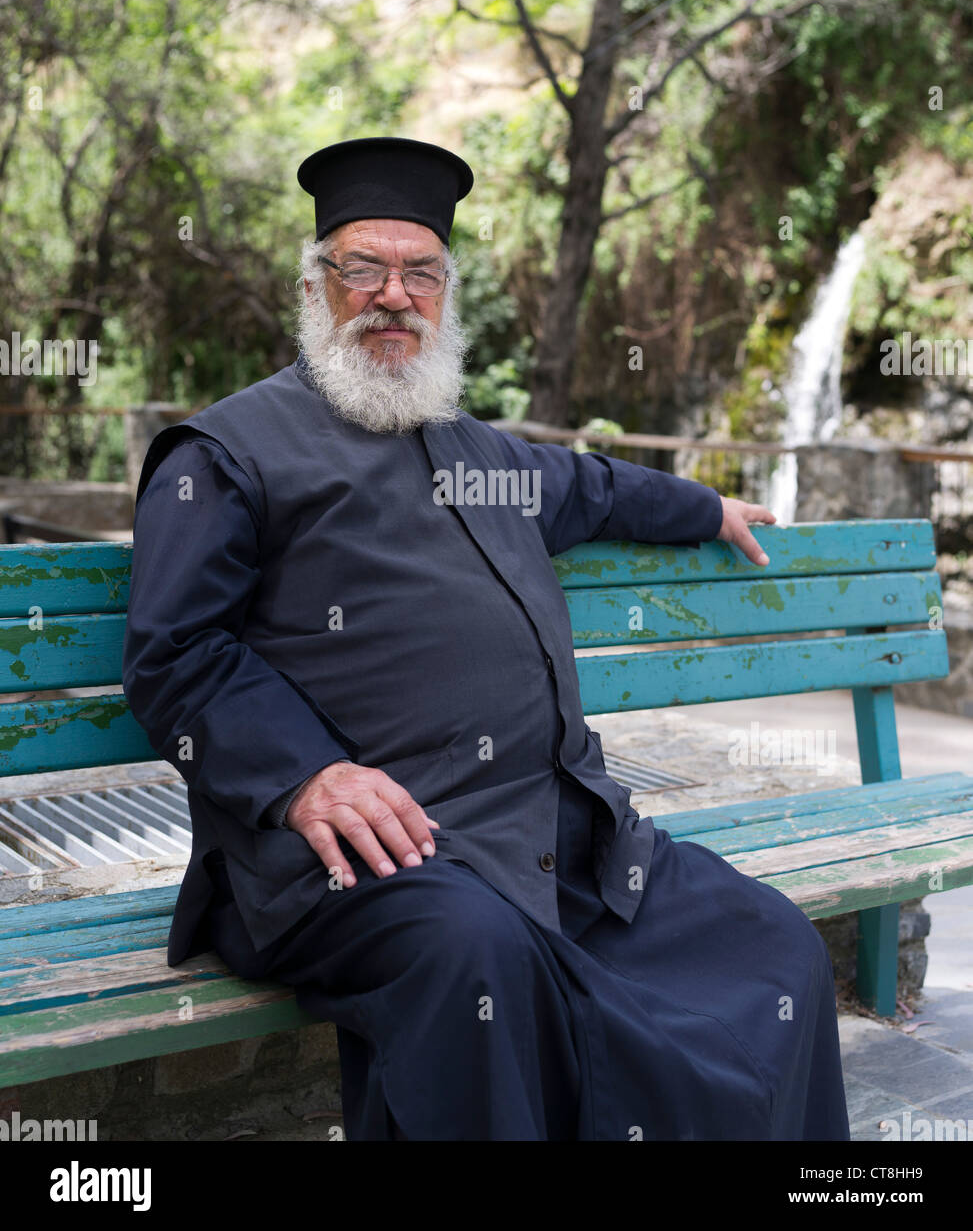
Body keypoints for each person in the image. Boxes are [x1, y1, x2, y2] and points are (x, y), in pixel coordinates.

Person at [122, 135, 850, 1142]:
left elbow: (596, 487)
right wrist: (304, 777)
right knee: (479, 961)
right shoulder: (225, 454)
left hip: (555, 832)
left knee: (772, 943)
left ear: (444, 292)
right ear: (315, 285)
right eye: (362, 268)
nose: (393, 294)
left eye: (419, 271)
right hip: (359, 854)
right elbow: (174, 654)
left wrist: (701, 504)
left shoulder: (478, 452)